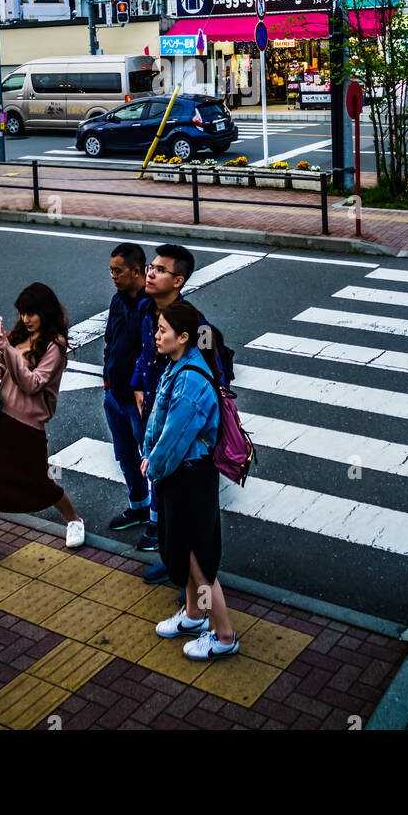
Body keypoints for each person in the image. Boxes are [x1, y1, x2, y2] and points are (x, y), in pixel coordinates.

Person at [141, 300, 238, 659]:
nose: (156, 335)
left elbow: (176, 437)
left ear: (183, 337)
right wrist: (153, 459)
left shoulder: (191, 379)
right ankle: (195, 616)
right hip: (179, 474)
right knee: (182, 548)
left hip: (190, 476)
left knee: (199, 558)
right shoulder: (179, 364)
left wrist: (152, 464)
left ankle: (225, 635)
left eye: (162, 330)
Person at [132, 243, 234, 584]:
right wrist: (137, 386)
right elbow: (142, 354)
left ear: (178, 281)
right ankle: (172, 559)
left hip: (185, 422)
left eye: (160, 270)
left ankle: (195, 584)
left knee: (189, 510)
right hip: (154, 412)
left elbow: (213, 373)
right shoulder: (148, 311)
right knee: (163, 495)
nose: (150, 272)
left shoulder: (196, 326)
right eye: (151, 266)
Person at [0, 282, 84, 573]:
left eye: (31, 313)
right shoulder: (19, 336)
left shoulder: (54, 346)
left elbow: (32, 384)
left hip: (29, 425)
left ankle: (74, 520)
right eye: (22, 313)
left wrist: (8, 349)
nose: (26, 319)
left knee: (39, 482)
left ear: (45, 312)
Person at [103, 242, 150, 532]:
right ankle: (139, 507)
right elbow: (110, 340)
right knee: (126, 456)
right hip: (115, 396)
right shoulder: (117, 301)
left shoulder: (154, 306)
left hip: (141, 401)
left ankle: (159, 521)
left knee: (151, 461)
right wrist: (107, 381)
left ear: (136, 271)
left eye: (118, 271)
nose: (113, 276)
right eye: (111, 270)